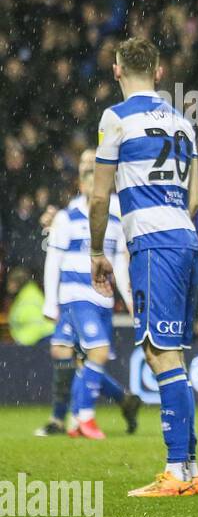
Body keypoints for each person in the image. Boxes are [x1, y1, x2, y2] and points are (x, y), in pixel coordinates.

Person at [90, 36, 198, 498]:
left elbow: (99, 197)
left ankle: (176, 470)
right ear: (158, 72)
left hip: (154, 246)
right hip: (185, 239)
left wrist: (98, 251)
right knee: (172, 353)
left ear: (117, 70)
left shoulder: (115, 118)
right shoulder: (182, 122)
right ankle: (190, 463)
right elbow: (195, 199)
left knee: (160, 354)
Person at [37, 150, 141, 439]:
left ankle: (84, 413)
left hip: (102, 299)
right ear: (81, 182)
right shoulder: (68, 216)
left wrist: (130, 299)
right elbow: (53, 258)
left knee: (85, 356)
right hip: (74, 295)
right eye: (84, 168)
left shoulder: (117, 215)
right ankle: (79, 417)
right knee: (81, 352)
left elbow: (120, 262)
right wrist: (50, 301)